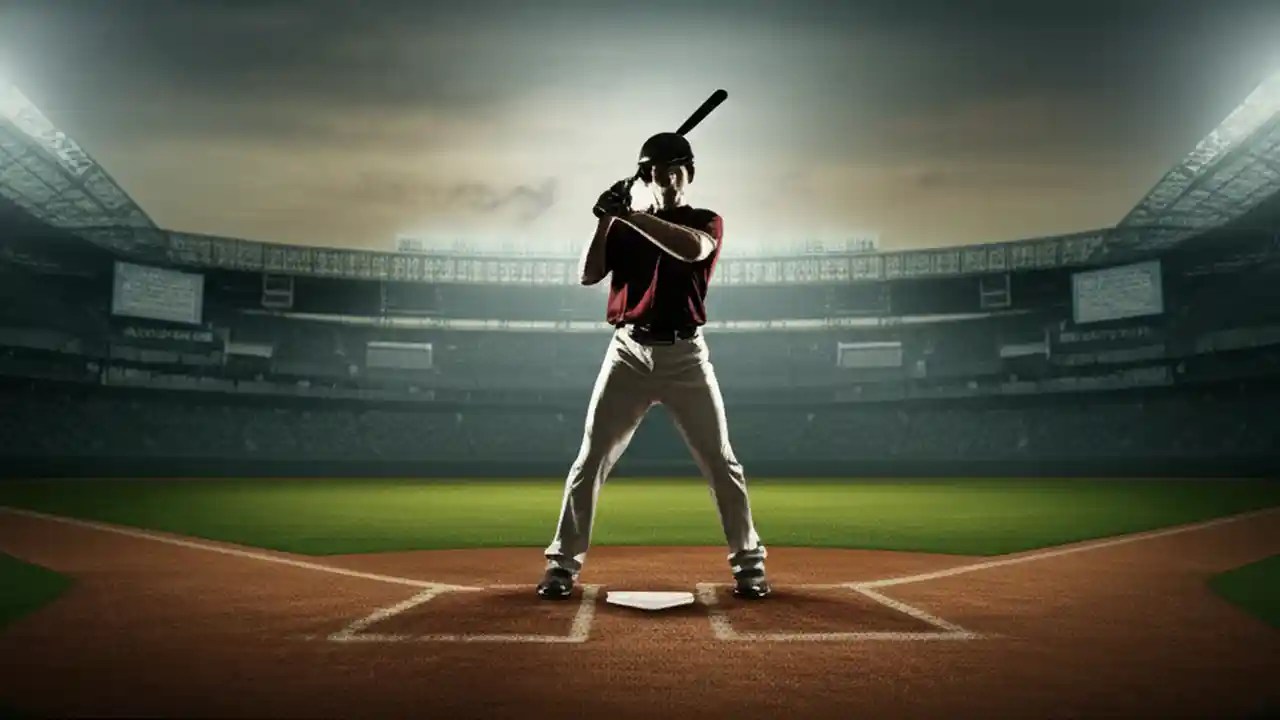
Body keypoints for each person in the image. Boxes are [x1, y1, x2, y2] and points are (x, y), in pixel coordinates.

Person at [536, 132, 770, 600]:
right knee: (592, 458)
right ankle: (562, 565)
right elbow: (588, 274)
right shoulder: (625, 225)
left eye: (677, 167)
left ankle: (750, 565)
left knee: (721, 460)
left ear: (691, 172)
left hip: (686, 354)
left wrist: (630, 214)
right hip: (628, 351)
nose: (668, 176)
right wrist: (605, 220)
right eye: (659, 169)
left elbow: (692, 250)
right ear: (647, 175)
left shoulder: (705, 221)